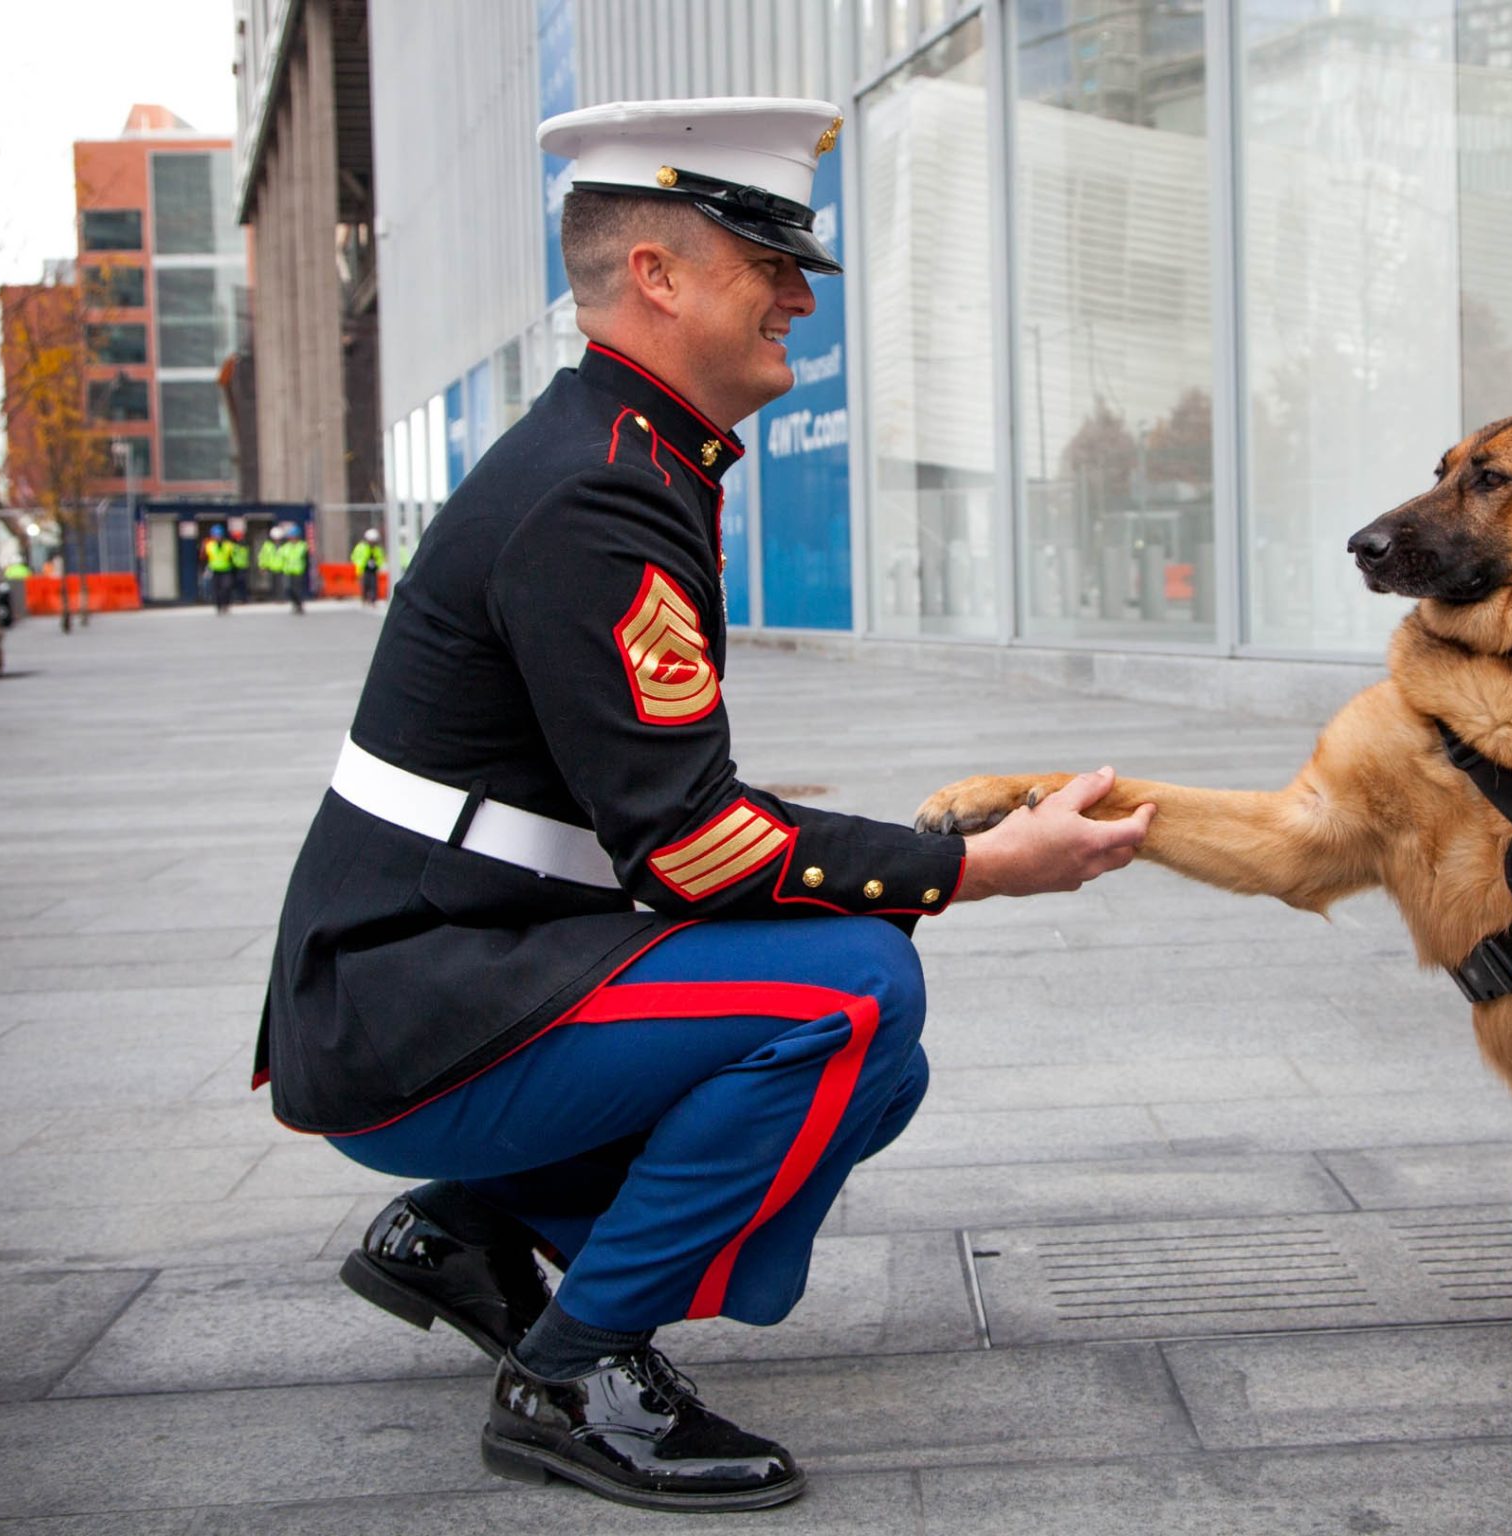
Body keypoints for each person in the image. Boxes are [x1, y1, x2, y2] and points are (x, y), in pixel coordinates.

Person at [257, 97, 1151, 1514]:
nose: (800, 293)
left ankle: (466, 1230)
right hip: (405, 1005)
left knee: (879, 1060)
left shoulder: (627, 455)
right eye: (767, 260)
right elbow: (693, 849)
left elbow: (655, 806)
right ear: (658, 277)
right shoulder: (601, 491)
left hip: (436, 965)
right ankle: (575, 1369)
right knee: (849, 993)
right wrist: (978, 865)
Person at [352, 527, 386, 607]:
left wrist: (377, 564)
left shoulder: (377, 549)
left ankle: (373, 600)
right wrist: (360, 564)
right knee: (365, 585)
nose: (373, 543)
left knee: (374, 585)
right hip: (364, 569)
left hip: (373, 570)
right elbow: (355, 556)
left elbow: (380, 558)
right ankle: (364, 599)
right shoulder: (361, 547)